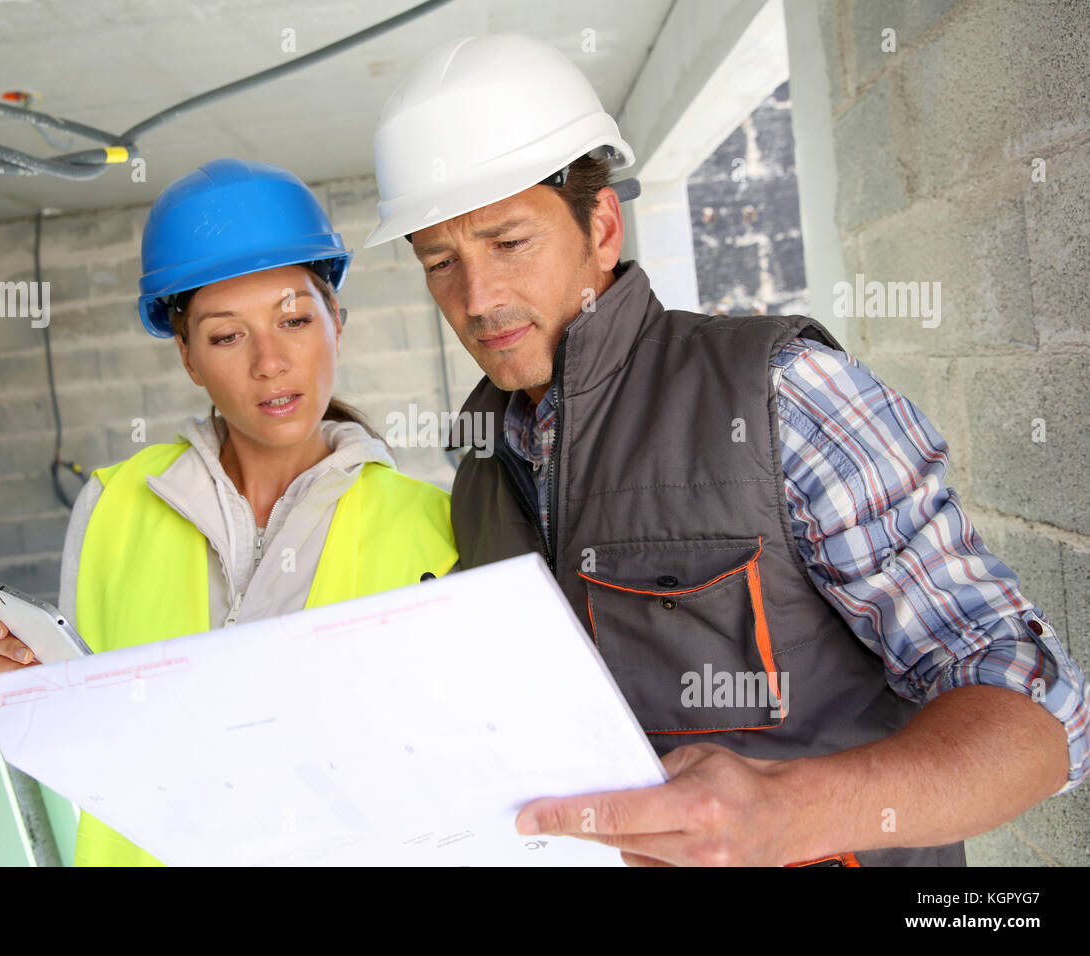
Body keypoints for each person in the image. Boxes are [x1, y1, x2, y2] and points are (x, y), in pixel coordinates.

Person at [361, 33, 1089, 866]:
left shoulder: (780, 393)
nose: (478, 298)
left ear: (600, 226)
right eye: (440, 261)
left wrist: (788, 812)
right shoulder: (482, 468)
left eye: (509, 242)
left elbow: (1040, 711)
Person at [0, 158, 458, 865]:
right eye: (227, 335)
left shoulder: (436, 528)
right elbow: (86, 755)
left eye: (294, 319)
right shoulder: (115, 505)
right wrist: (28, 698)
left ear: (337, 324)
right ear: (189, 357)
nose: (271, 362)